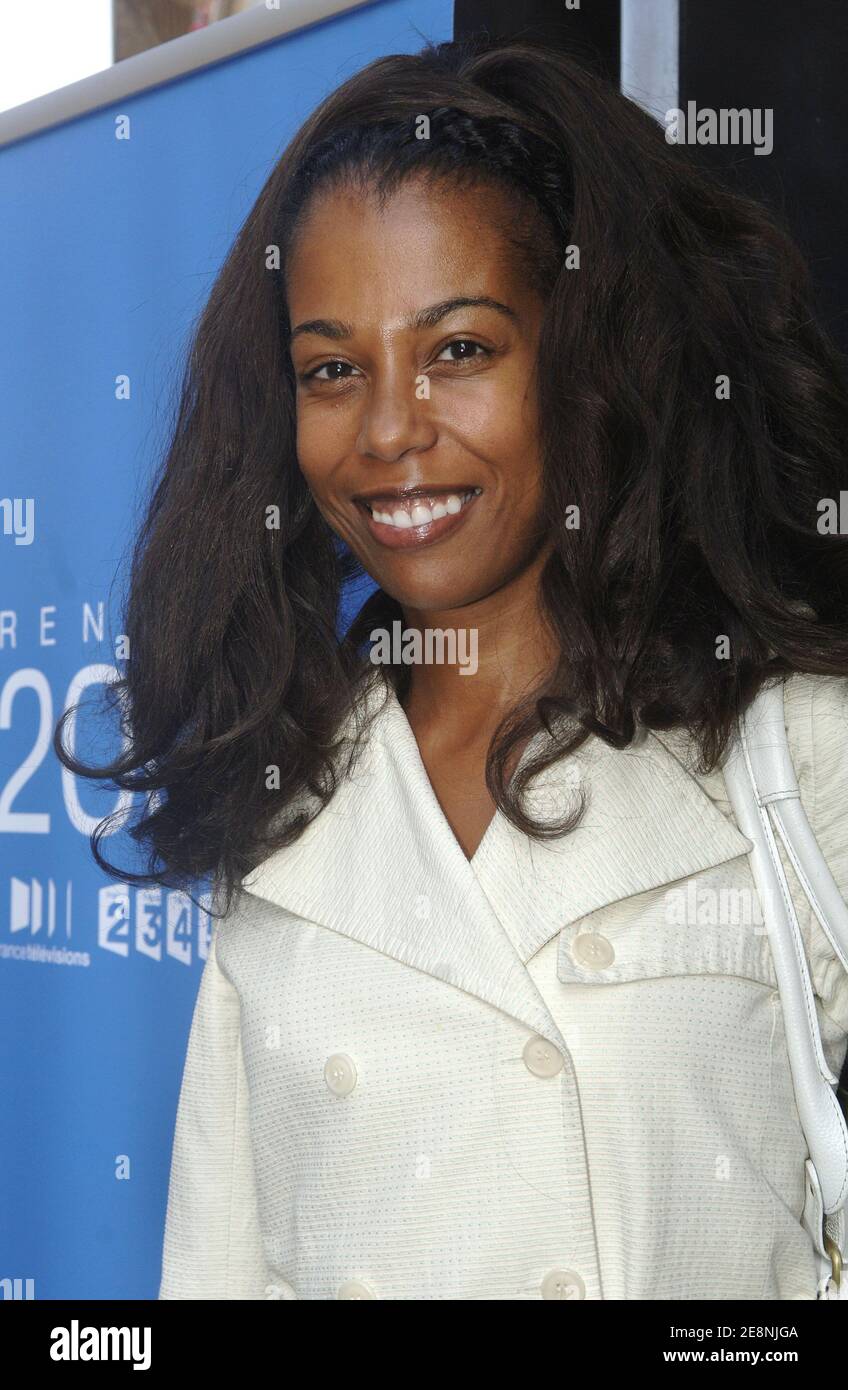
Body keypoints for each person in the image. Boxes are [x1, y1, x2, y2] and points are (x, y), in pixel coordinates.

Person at [55, 33, 848, 1300]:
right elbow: (219, 1270)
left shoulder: (788, 747)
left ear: (588, 355)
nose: (386, 429)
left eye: (458, 350)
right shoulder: (285, 791)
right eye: (332, 369)